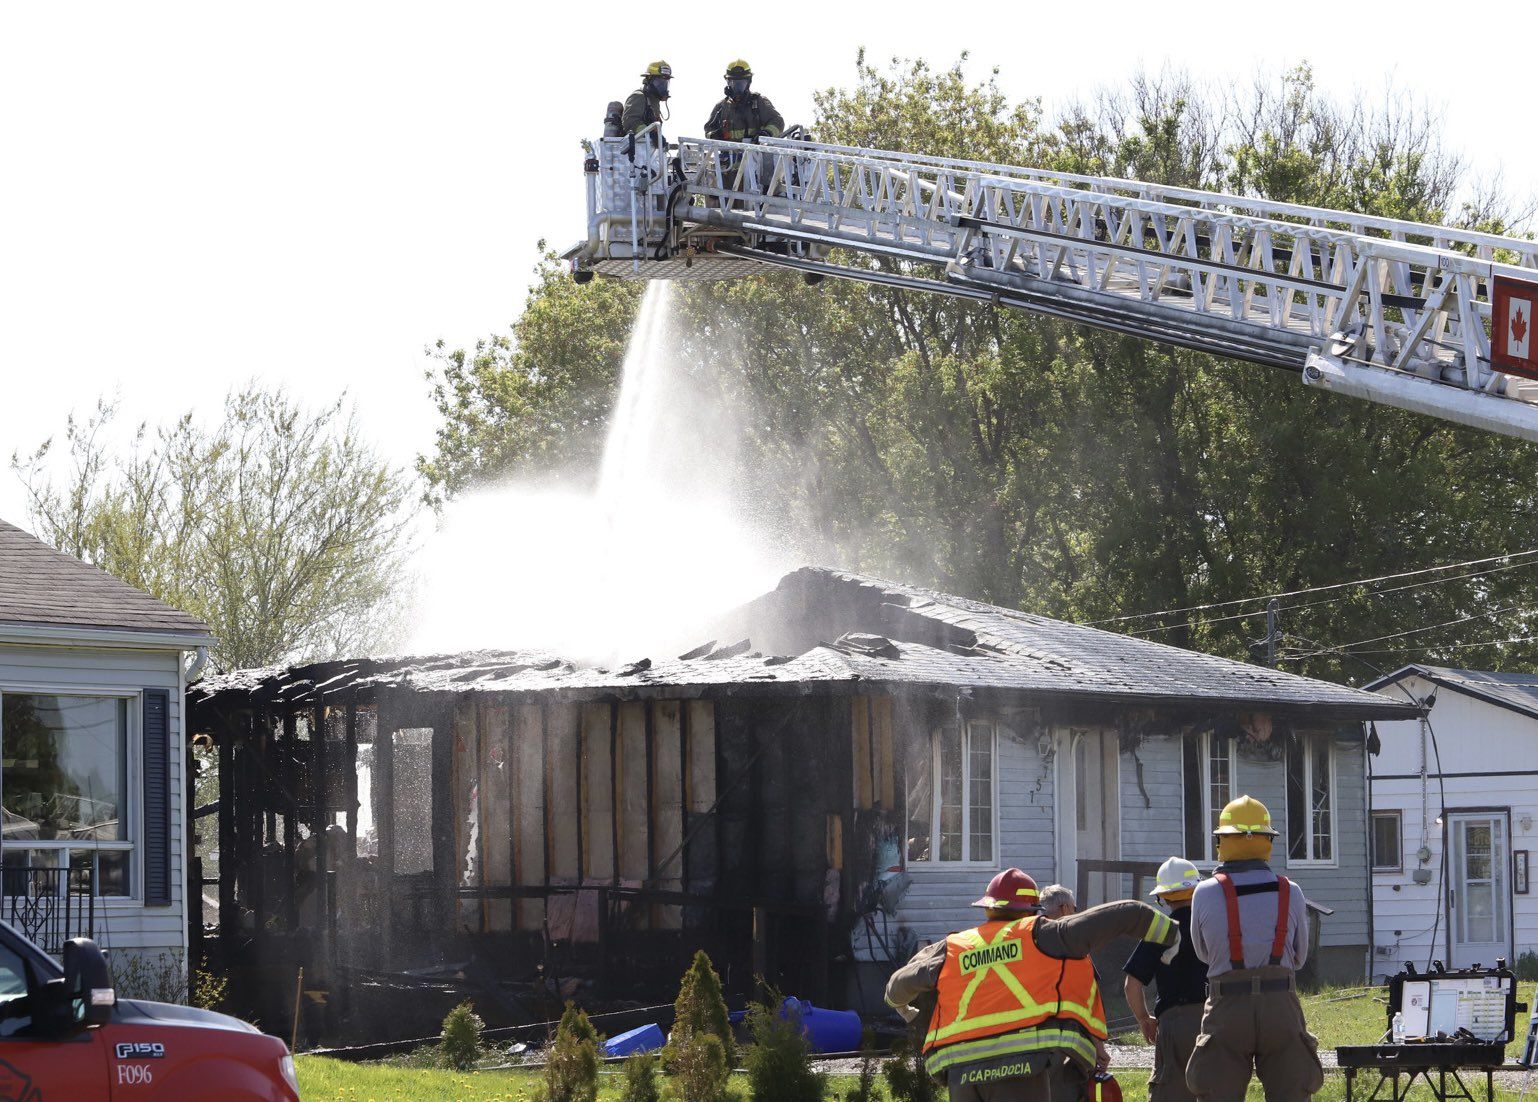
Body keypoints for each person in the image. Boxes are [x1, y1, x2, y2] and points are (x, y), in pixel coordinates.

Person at [885, 867, 1179, 1102]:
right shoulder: (1043, 935)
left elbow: (897, 986)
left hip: (962, 1073)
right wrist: (1171, 936)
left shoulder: (954, 947)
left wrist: (904, 1009)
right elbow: (1127, 913)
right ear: (1031, 909)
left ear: (988, 907)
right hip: (1020, 1069)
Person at [1185, 796, 1325, 1102]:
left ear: (1222, 840)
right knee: (1292, 1093)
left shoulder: (1205, 892)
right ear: (1267, 840)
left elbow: (1202, 953)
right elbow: (1299, 958)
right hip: (1280, 1006)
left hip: (1227, 1005)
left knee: (1216, 1094)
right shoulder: (1292, 890)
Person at [1123, 858, 1208, 1102]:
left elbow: (1132, 984)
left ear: (1163, 897)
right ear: (1196, 889)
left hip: (1175, 1022)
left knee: (1170, 1091)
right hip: (1216, 1018)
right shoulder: (1211, 924)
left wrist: (1143, 1019)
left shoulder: (1159, 929)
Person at [1037, 885, 1111, 1076]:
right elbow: (1088, 998)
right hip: (1070, 1048)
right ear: (1064, 909)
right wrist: (1099, 1046)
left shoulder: (1029, 945)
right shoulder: (1073, 947)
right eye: (1074, 908)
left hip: (1032, 1048)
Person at [704, 60, 784, 143]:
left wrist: (766, 133)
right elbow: (708, 128)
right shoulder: (721, 107)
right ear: (727, 82)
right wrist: (713, 135)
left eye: (740, 83)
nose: (736, 87)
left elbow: (778, 121)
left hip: (754, 154)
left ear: (748, 82)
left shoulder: (758, 102)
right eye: (732, 82)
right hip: (728, 154)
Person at [622, 61, 672, 139]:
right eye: (659, 82)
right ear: (649, 80)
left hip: (646, 147)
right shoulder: (639, 96)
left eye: (665, 82)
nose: (662, 86)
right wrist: (650, 133)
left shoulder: (654, 102)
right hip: (634, 148)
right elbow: (630, 121)